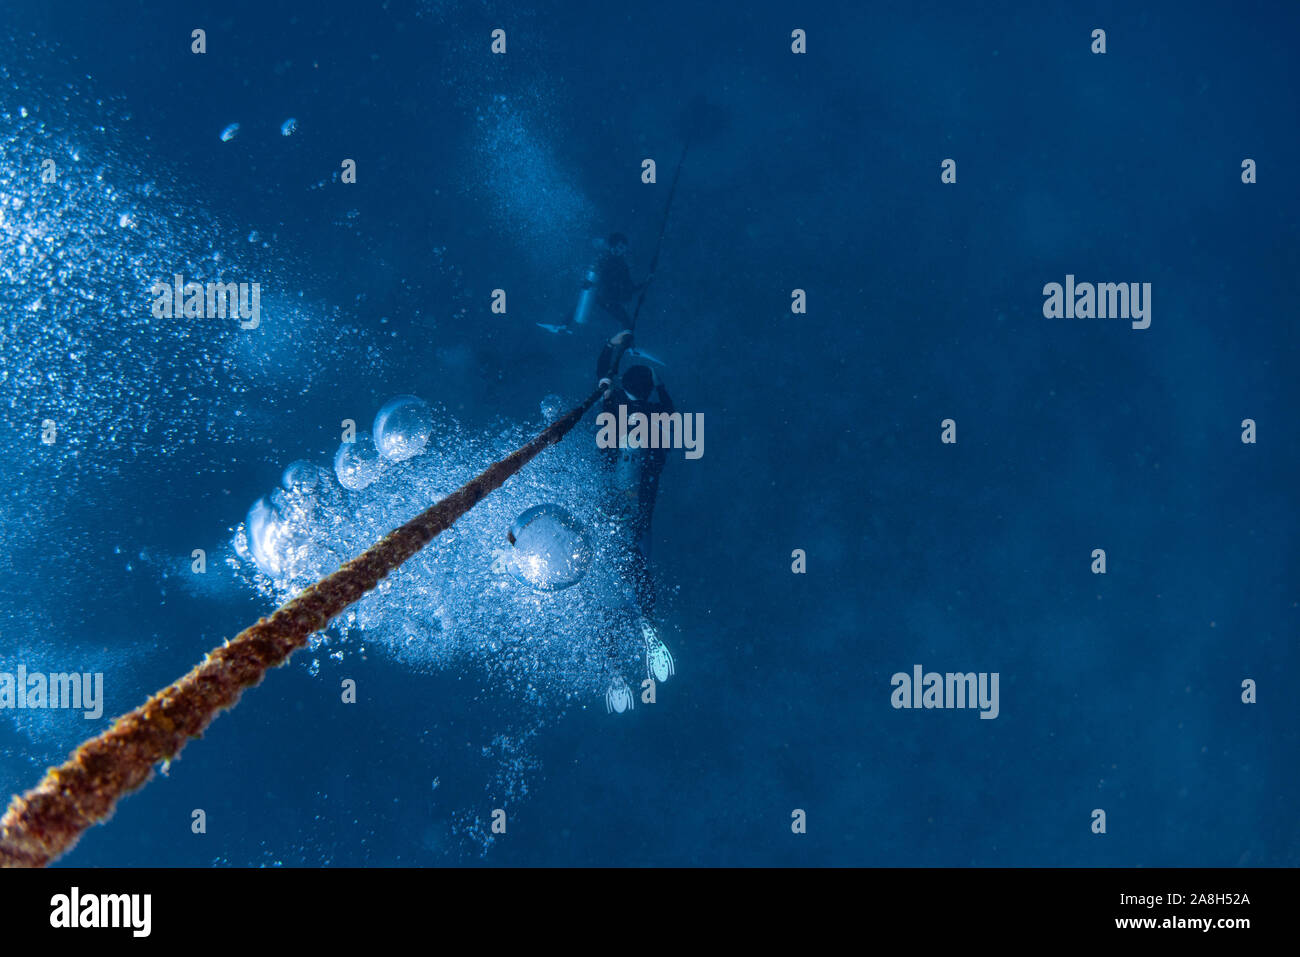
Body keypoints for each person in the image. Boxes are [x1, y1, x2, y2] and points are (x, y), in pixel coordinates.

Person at [595, 329, 675, 712]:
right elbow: (670, 408)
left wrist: (613, 348)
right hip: (641, 511)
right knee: (638, 566)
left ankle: (613, 667)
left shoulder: (611, 409)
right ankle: (648, 624)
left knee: (607, 581)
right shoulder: (661, 417)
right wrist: (657, 386)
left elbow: (602, 376)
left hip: (612, 509)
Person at [594, 233, 651, 326]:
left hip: (606, 301)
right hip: (607, 301)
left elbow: (630, 288)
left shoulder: (619, 265)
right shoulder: (610, 262)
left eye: (624, 248)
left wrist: (645, 283)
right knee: (627, 325)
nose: (622, 251)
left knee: (627, 324)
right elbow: (630, 288)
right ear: (612, 246)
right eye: (620, 247)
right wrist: (645, 284)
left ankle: (563, 325)